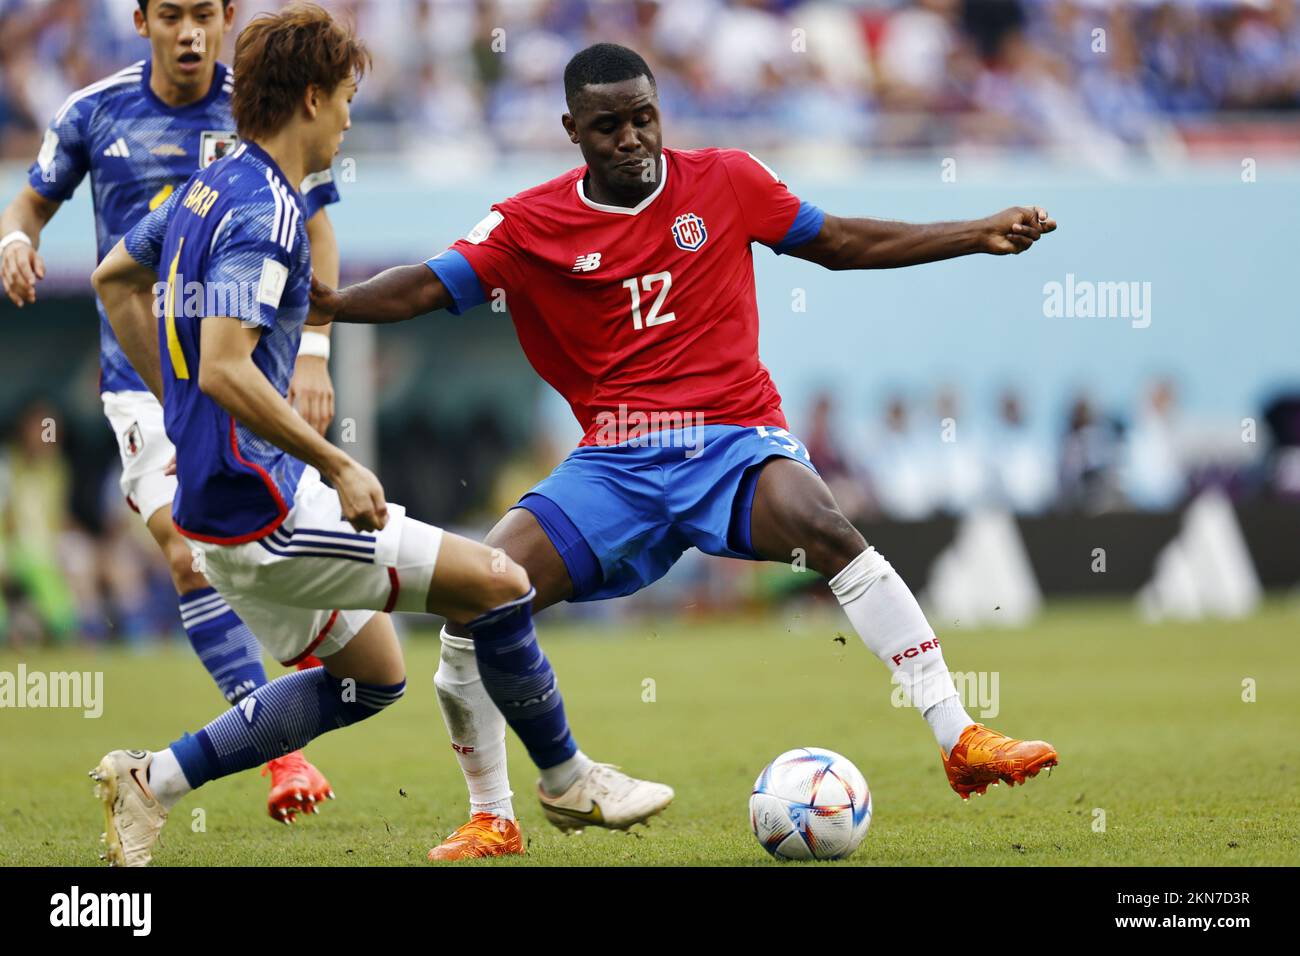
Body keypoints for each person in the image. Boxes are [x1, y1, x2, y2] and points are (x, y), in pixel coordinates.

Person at [311, 41, 1062, 861]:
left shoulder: (727, 181)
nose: (632, 139)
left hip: (732, 438)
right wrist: (327, 305)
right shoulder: (529, 224)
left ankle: (959, 738)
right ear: (571, 129)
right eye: (608, 127)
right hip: (617, 461)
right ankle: (494, 814)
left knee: (828, 525)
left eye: (644, 119)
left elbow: (840, 242)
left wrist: (975, 231)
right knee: (476, 599)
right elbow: (426, 285)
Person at [89, 6, 668, 867]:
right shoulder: (267, 212)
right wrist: (334, 461)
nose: (352, 119)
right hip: (266, 508)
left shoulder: (205, 188)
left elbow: (115, 276)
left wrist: (178, 408)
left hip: (227, 506)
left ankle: (153, 781)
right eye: (350, 98)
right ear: (314, 98)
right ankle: (565, 780)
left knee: (373, 678)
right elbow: (224, 365)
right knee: (501, 583)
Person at [0, 0, 341, 822]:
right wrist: (15, 241)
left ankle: (322, 667)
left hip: (244, 375)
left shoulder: (257, 110)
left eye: (203, 15)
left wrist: (319, 352)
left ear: (227, 18)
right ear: (143, 20)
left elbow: (320, 229)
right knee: (188, 557)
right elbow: (30, 205)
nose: (189, 32)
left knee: (288, 555)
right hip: (141, 378)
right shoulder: (93, 111)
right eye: (170, 16)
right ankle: (282, 754)